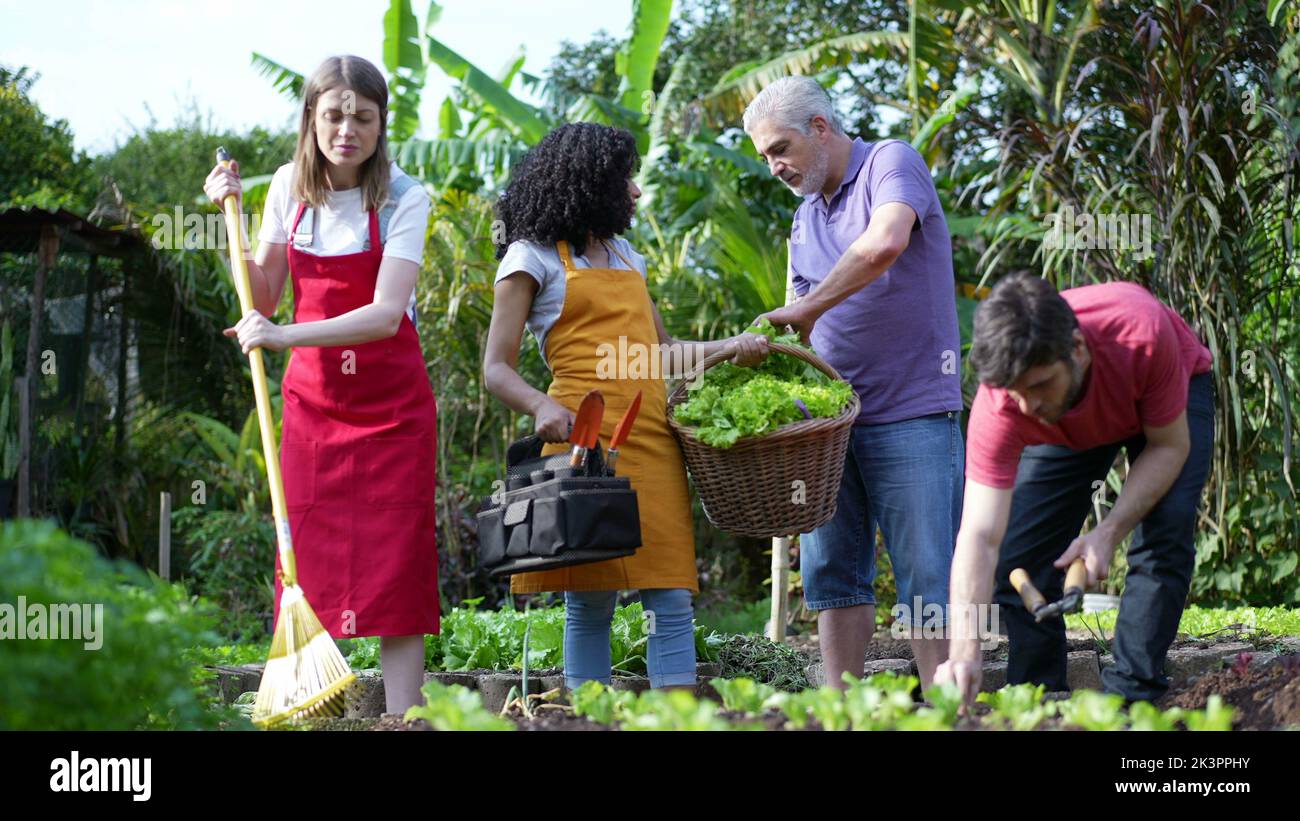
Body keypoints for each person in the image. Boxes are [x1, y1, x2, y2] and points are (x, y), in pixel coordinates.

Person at [483, 123, 768, 691]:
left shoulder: (627, 256)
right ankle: (587, 724)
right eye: (624, 179)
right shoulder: (530, 258)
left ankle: (675, 720)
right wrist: (539, 405)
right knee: (590, 600)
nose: (635, 191)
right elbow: (495, 368)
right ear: (591, 183)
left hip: (652, 438)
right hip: (585, 445)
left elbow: (663, 355)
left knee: (670, 593)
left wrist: (732, 348)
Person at [204, 55, 436, 715]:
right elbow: (267, 294)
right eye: (333, 115)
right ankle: (310, 716)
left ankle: (402, 723)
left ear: (381, 123)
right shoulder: (287, 187)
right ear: (311, 118)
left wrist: (281, 338)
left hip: (394, 412)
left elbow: (386, 313)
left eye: (363, 117)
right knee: (305, 566)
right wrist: (232, 218)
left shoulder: (404, 196)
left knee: (398, 571)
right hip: (314, 411)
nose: (347, 130)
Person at [743, 76, 964, 688]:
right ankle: (843, 714)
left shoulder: (890, 163)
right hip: (830, 429)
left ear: (820, 127)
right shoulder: (802, 219)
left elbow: (885, 241)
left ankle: (948, 714)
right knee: (831, 574)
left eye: (780, 148)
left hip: (913, 411)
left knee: (927, 574)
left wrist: (806, 311)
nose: (774, 167)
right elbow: (797, 326)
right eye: (765, 156)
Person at [936, 272, 1214, 707]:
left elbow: (1168, 447)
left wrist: (1108, 532)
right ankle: (1035, 700)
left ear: (1078, 351)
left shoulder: (1139, 334)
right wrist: (964, 652)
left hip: (1163, 397)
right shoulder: (1005, 402)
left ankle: (1129, 701)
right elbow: (977, 536)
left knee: (1164, 537)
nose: (1027, 406)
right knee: (1019, 556)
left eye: (1039, 384)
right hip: (1072, 422)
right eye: (1016, 393)